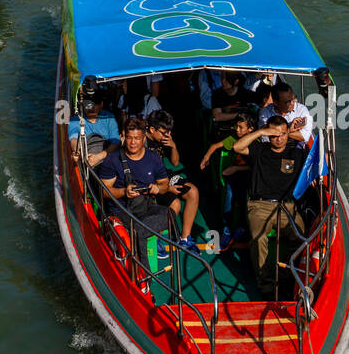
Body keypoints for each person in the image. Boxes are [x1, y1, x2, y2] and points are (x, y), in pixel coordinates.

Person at [233, 114, 307, 298]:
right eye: (274, 135)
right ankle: (266, 284)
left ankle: (285, 275)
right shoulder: (260, 149)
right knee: (259, 238)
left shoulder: (296, 153)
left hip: (287, 207)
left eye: (282, 134)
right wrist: (261, 132)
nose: (279, 139)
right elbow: (237, 146)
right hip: (259, 205)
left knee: (302, 237)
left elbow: (318, 162)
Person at [98, 119, 170, 268]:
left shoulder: (153, 158)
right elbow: (104, 192)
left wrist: (158, 188)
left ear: (143, 138)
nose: (132, 142)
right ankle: (145, 279)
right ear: (123, 137)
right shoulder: (112, 160)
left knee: (170, 214)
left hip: (145, 207)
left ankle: (143, 234)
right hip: (121, 210)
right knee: (140, 230)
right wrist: (124, 192)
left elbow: (165, 184)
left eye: (137, 138)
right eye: (129, 137)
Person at [145, 110, 201, 251]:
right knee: (175, 203)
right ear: (152, 129)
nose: (167, 135)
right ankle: (155, 236)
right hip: (147, 180)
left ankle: (185, 238)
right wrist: (168, 189)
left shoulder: (163, 139)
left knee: (192, 192)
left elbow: (175, 163)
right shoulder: (141, 141)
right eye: (164, 133)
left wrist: (173, 146)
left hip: (163, 176)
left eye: (169, 132)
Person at [200, 109, 254, 247]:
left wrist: (236, 168)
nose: (237, 130)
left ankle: (243, 227)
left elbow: (255, 167)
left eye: (241, 127)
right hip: (234, 177)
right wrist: (206, 157)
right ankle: (227, 228)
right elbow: (215, 146)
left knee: (244, 201)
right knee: (230, 197)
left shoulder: (255, 142)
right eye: (236, 126)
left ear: (250, 129)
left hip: (249, 178)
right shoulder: (233, 139)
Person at [68, 88, 121, 167]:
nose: (91, 108)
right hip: (88, 160)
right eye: (88, 104)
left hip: (108, 159)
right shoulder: (75, 120)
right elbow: (74, 138)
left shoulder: (109, 117)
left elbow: (116, 142)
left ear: (101, 105)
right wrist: (77, 152)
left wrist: (99, 157)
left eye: (95, 104)